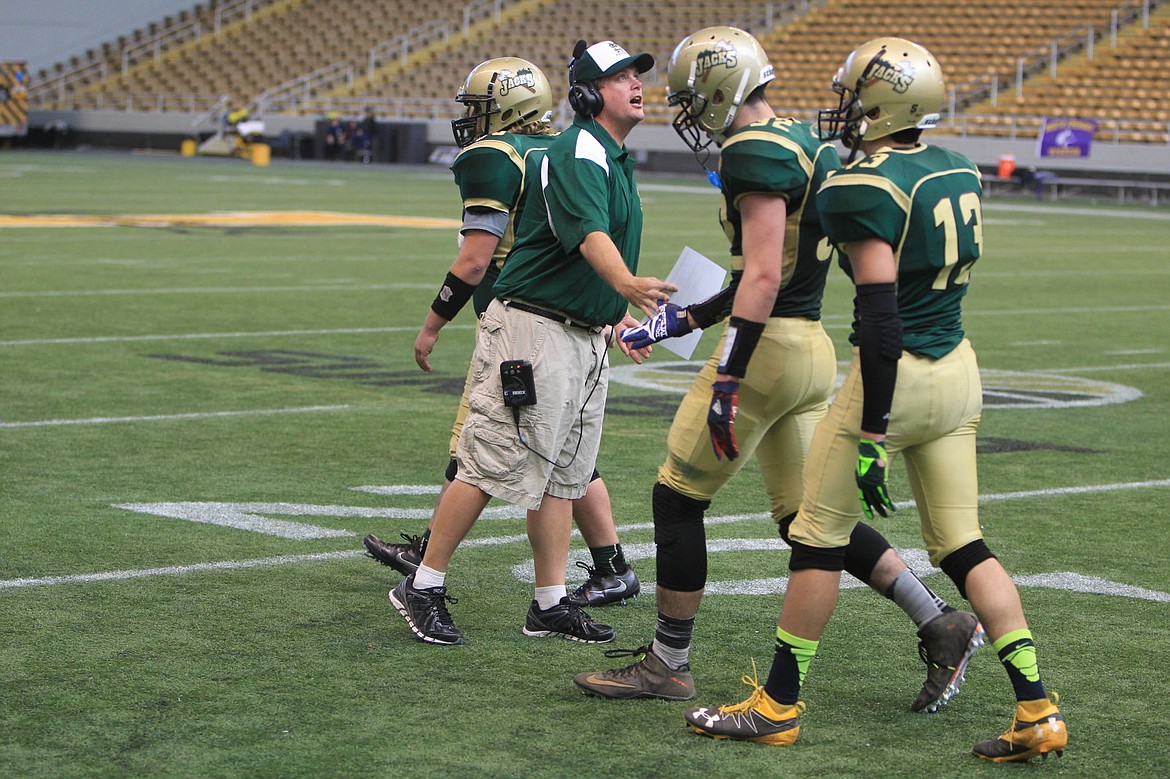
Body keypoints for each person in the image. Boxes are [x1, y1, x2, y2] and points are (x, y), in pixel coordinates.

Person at [573, 27, 981, 715]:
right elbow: (773, 272)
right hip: (809, 346)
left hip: (766, 352)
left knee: (677, 496)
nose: (688, 109)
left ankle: (668, 663)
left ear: (719, 86)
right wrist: (685, 319)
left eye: (692, 94)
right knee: (804, 516)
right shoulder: (804, 142)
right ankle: (937, 617)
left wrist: (728, 374)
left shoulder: (751, 150)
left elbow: (762, 276)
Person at [683, 38, 1068, 762]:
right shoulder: (957, 164)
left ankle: (776, 705)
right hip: (960, 371)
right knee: (964, 544)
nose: (845, 110)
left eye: (855, 96)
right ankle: (1037, 707)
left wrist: (871, 433)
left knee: (815, 538)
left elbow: (884, 320)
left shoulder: (863, 186)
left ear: (885, 101)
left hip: (897, 376)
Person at [387, 40, 676, 646]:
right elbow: (587, 235)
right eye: (620, 76)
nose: (636, 84)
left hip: (578, 329)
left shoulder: (610, 156)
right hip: (534, 326)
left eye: (635, 75)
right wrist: (623, 286)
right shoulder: (576, 150)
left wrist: (614, 315)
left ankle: (549, 603)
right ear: (586, 93)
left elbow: (575, 251)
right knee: (493, 457)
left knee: (563, 474)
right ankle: (424, 583)